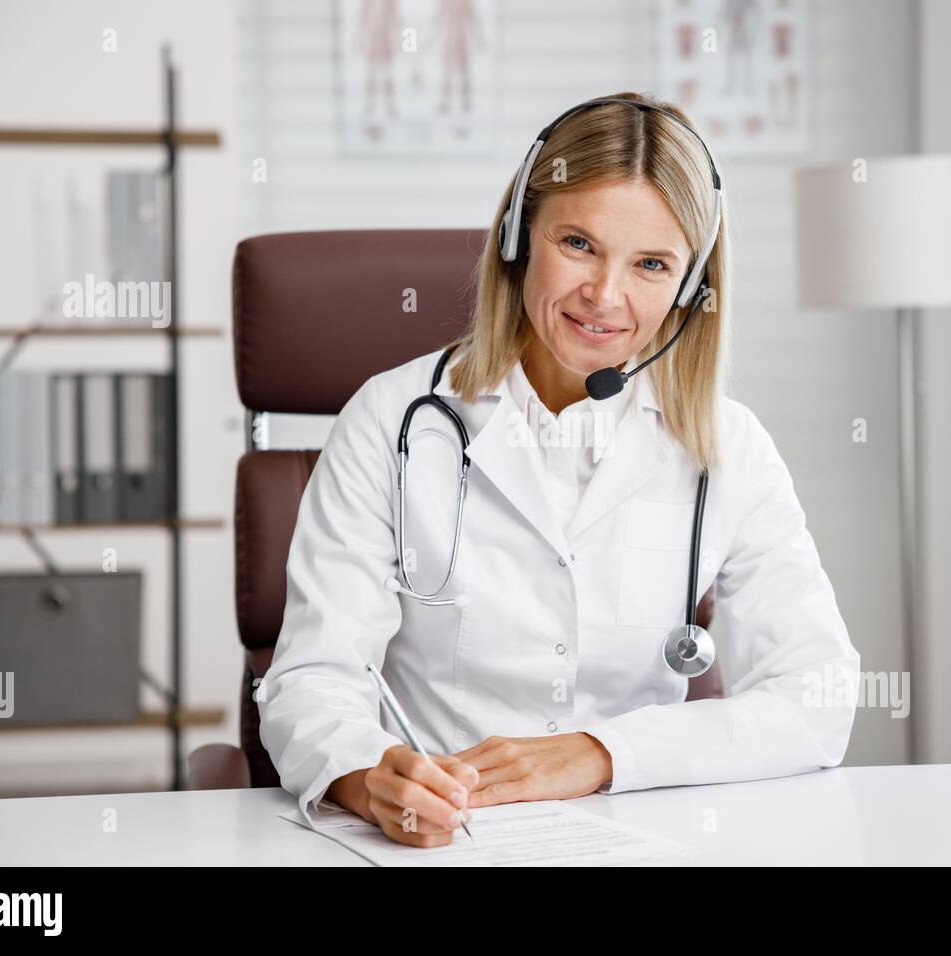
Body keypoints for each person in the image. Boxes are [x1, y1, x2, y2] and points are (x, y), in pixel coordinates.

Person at [258, 92, 860, 847]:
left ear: (692, 284)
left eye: (651, 264)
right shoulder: (391, 421)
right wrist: (369, 776)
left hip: (643, 835)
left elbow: (818, 696)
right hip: (447, 839)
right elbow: (311, 681)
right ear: (518, 235)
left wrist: (602, 755)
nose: (605, 296)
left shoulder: (728, 449)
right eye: (578, 243)